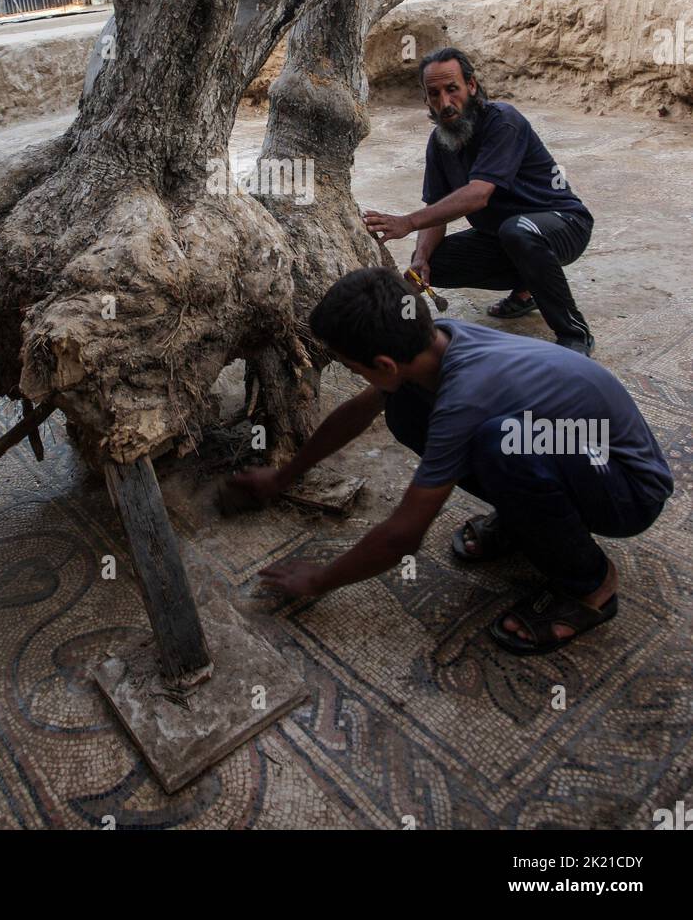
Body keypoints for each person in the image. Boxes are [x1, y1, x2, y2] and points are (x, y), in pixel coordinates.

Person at [225, 268, 672, 654]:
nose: (355, 374)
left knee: (500, 443)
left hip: (629, 490)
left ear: (382, 364)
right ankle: (527, 522)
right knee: (407, 409)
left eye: (351, 366)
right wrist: (283, 476)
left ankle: (591, 585)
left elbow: (403, 536)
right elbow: (357, 412)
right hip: (572, 457)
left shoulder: (465, 394)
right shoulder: (436, 341)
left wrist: (320, 579)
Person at [362, 47, 595, 354]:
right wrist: (421, 258)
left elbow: (478, 194)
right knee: (437, 262)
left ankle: (574, 333)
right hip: (506, 237)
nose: (444, 103)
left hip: (564, 225)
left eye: (452, 89)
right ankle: (530, 290)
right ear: (426, 99)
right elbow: (438, 211)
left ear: (471, 86)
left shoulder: (503, 121)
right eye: (434, 94)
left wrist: (407, 222)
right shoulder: (439, 142)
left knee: (518, 231)